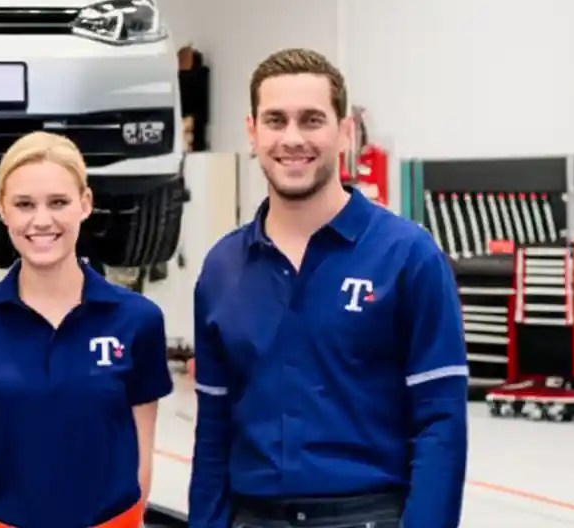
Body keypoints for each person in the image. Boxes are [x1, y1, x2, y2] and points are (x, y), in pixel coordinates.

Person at [187, 48, 469, 528]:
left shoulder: (408, 257)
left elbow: (441, 424)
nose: (292, 138)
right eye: (276, 120)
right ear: (253, 132)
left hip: (368, 514)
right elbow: (214, 430)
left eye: (311, 120)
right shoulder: (222, 268)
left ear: (344, 133)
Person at [0, 131, 175, 528]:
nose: (41, 220)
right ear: (2, 210)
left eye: (58, 202)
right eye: (24, 204)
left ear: (85, 204)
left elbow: (141, 457)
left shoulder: (138, 320)